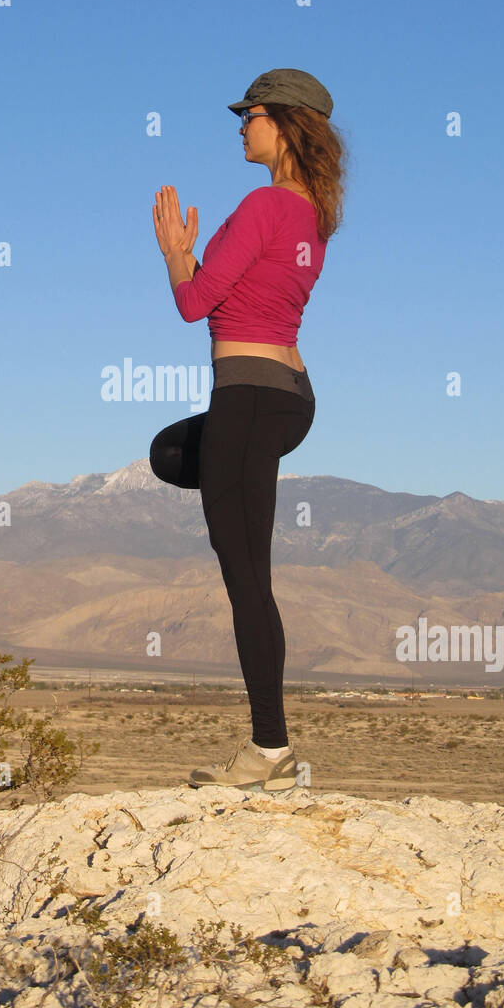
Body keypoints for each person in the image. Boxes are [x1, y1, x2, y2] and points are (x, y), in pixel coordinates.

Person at [149, 68, 348, 792]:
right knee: (170, 453)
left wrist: (174, 250)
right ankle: (271, 749)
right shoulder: (308, 215)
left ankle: (270, 752)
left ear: (287, 123)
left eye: (251, 112)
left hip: (251, 396)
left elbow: (195, 302)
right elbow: (236, 301)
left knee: (245, 578)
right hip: (286, 395)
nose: (240, 124)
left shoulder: (265, 205)